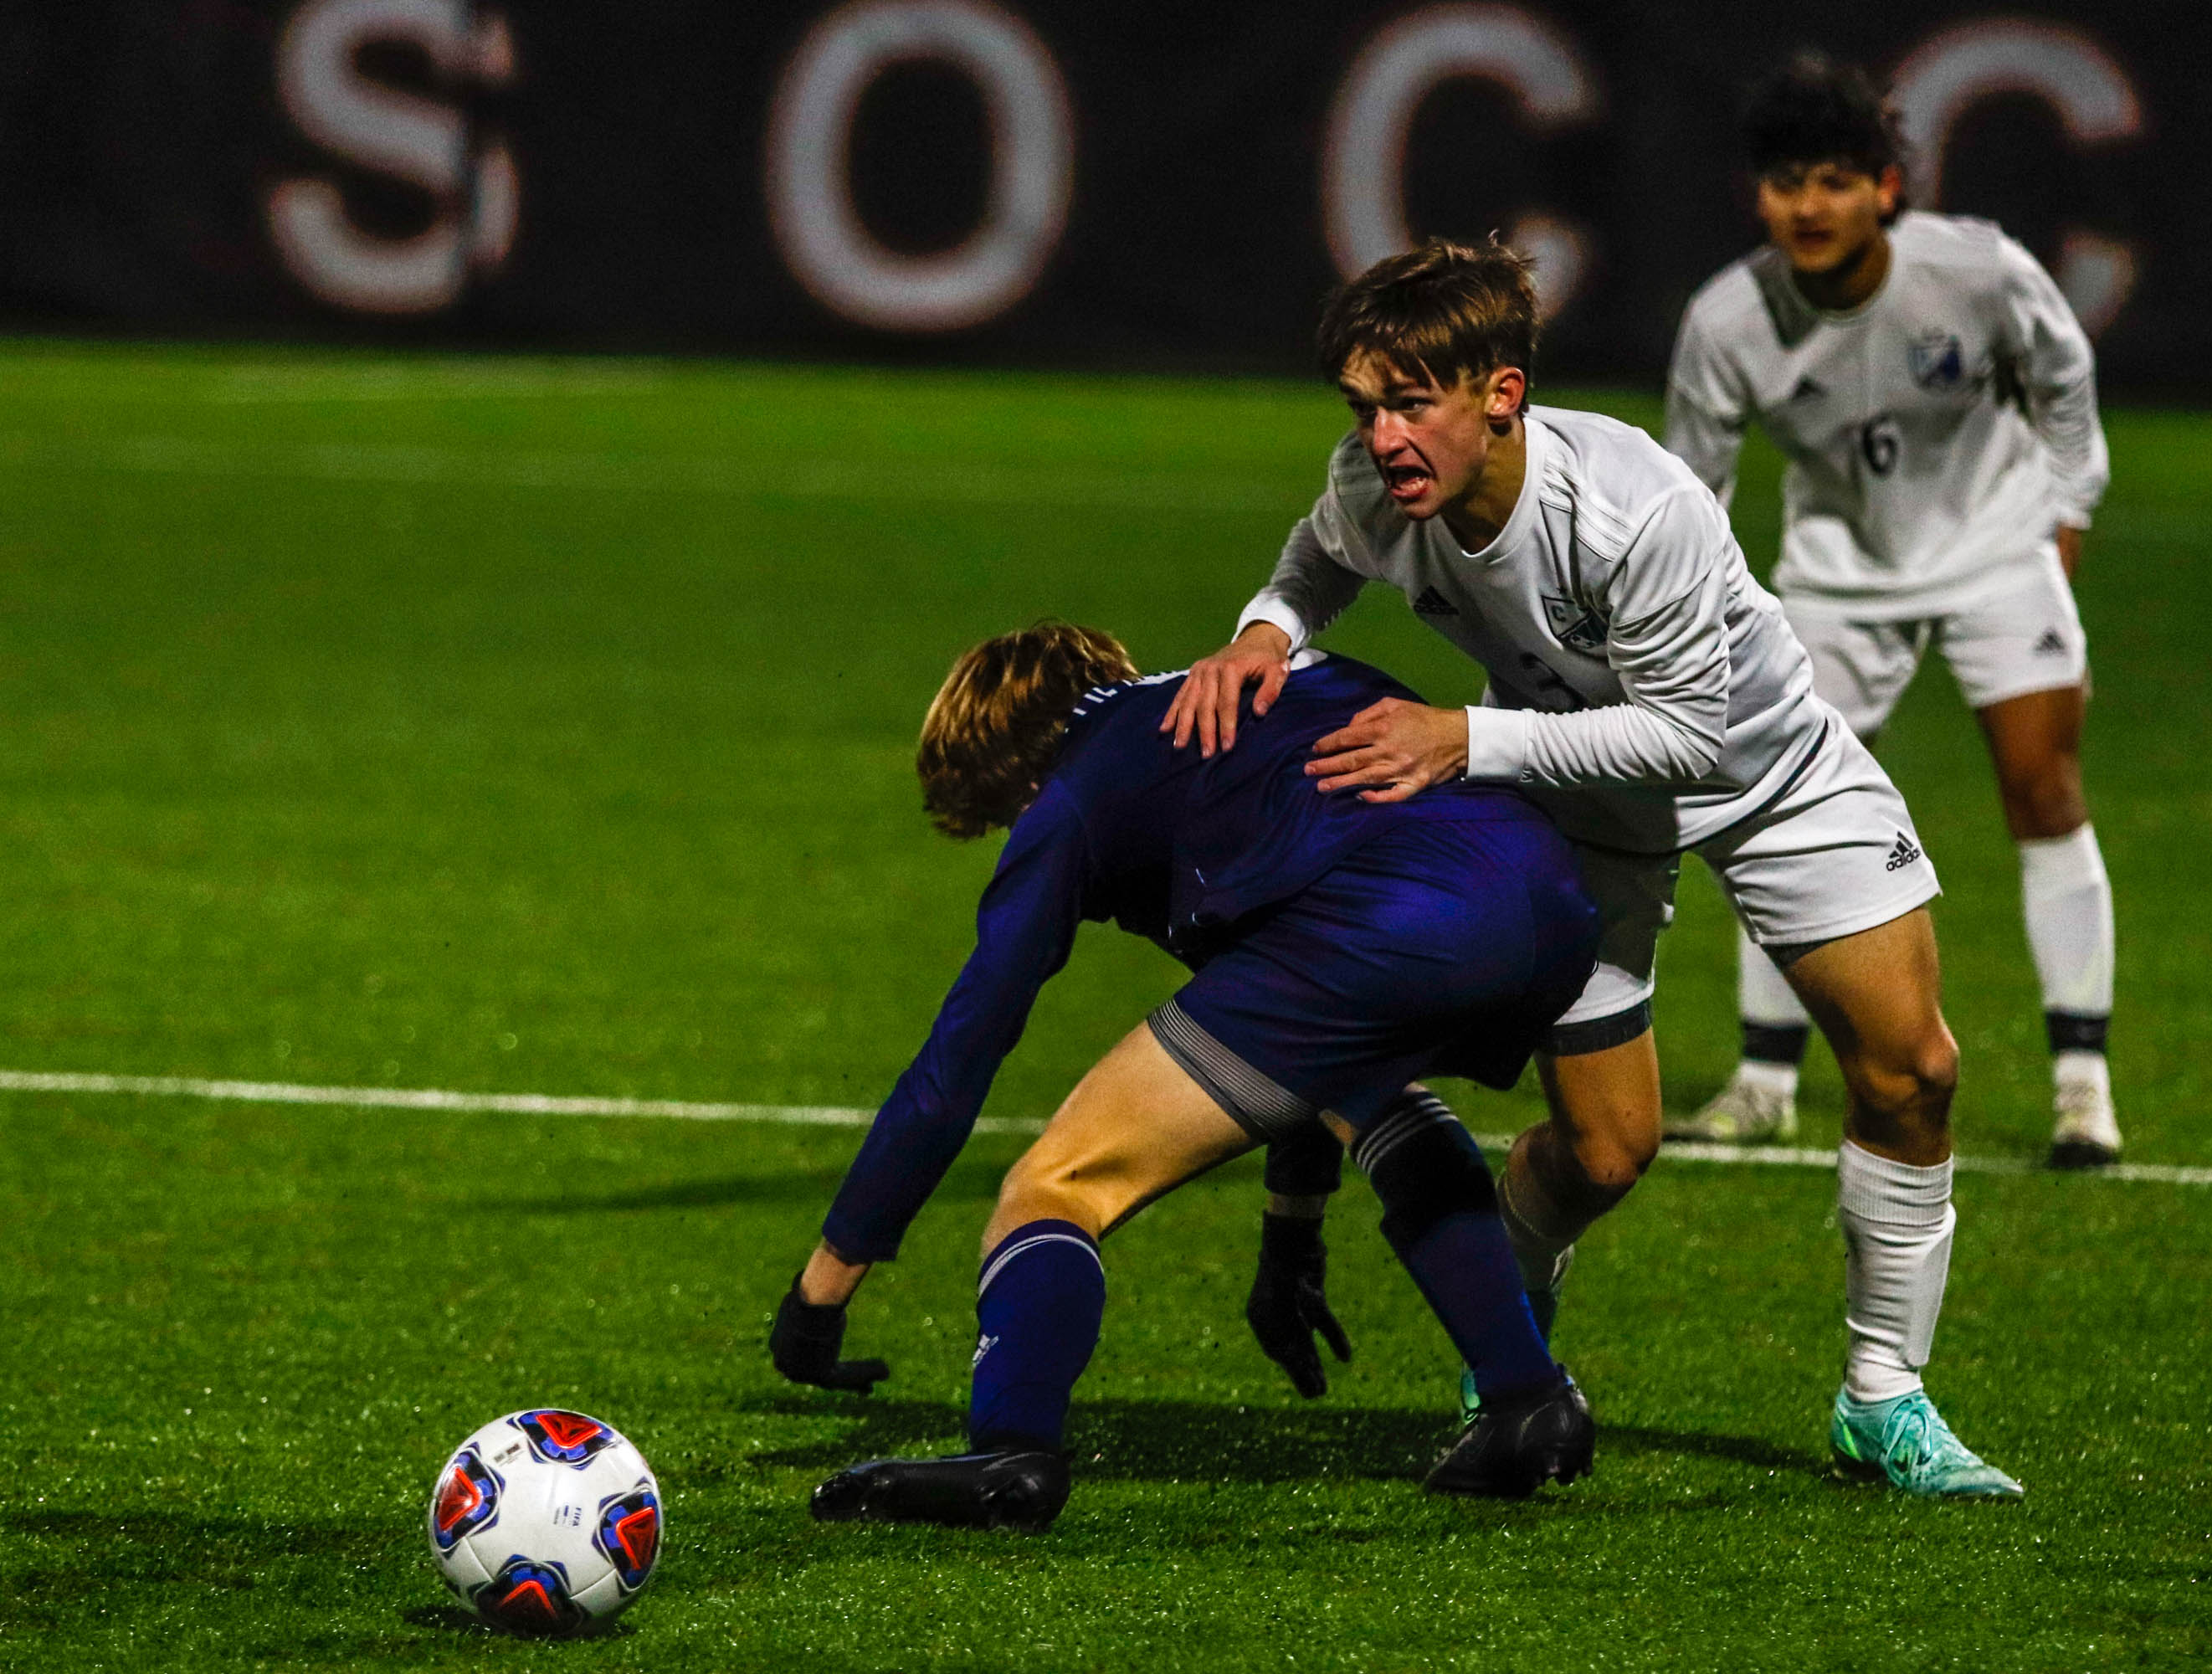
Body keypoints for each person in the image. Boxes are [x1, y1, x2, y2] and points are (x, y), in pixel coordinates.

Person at [1164, 239, 2021, 1497]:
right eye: (1364, 407)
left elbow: (1691, 736)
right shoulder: (1371, 484)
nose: (1382, 437)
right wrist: (1264, 632)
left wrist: (1464, 740)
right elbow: (1318, 556)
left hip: (1769, 772)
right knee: (1607, 1154)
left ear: (1500, 396)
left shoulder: (1633, 510)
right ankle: (1511, 1354)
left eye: (1411, 404)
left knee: (1914, 1070)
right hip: (1580, 798)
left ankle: (1883, 1397)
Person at [771, 623, 1602, 1530]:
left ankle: (1010, 1446)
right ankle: (1527, 1397)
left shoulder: (1072, 796)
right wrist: (1292, 1236)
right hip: (1550, 899)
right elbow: (1316, 1049)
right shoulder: (1231, 710)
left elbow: (958, 1058)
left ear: (1017, 774)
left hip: (1398, 917)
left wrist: (824, 1288)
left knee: (1055, 1184)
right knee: (1369, 1090)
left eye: (1004, 817)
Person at [1663, 54, 2120, 1169]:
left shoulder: (1976, 271)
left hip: (1998, 550)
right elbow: (1689, 497)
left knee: (2043, 783)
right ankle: (1765, 1079)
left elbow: (2065, 384)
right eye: (1783, 182)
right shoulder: (1727, 322)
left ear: (1885, 188)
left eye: (1832, 180)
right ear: (1757, 195)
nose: (1806, 206)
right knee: (1776, 807)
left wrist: (2063, 522)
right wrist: (1707, 623)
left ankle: (2081, 1089)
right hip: (1835, 577)